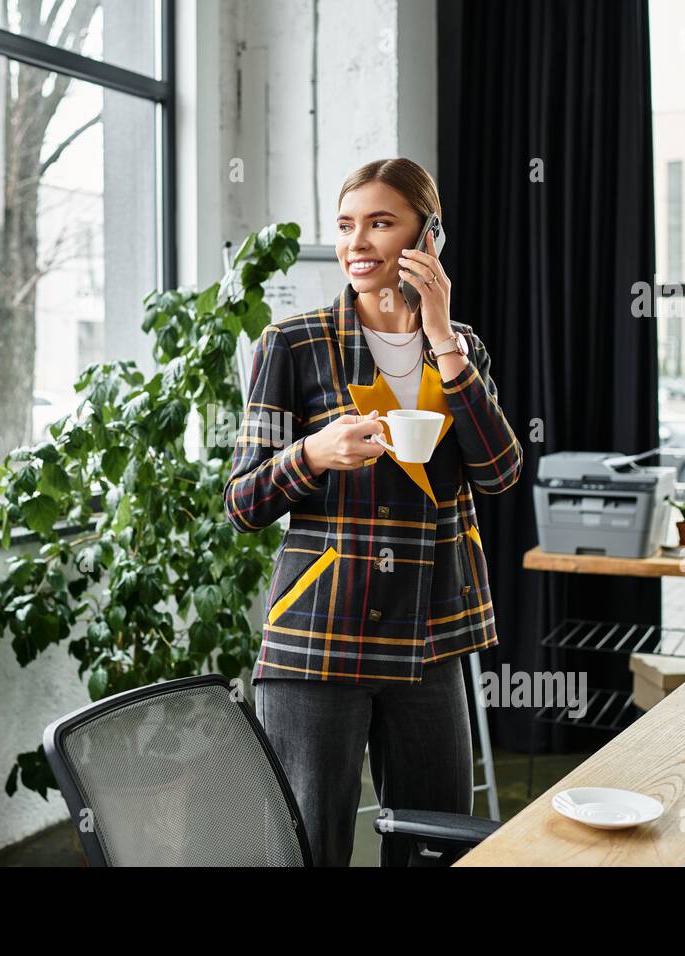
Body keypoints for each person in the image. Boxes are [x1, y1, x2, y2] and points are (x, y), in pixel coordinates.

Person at [223, 157, 523, 866]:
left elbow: (501, 472)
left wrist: (444, 336)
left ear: (429, 237)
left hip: (431, 636)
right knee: (308, 845)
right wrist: (313, 455)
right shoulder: (292, 346)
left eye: (381, 223)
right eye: (347, 225)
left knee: (433, 846)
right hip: (318, 633)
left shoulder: (462, 348)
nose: (356, 243)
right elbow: (242, 501)